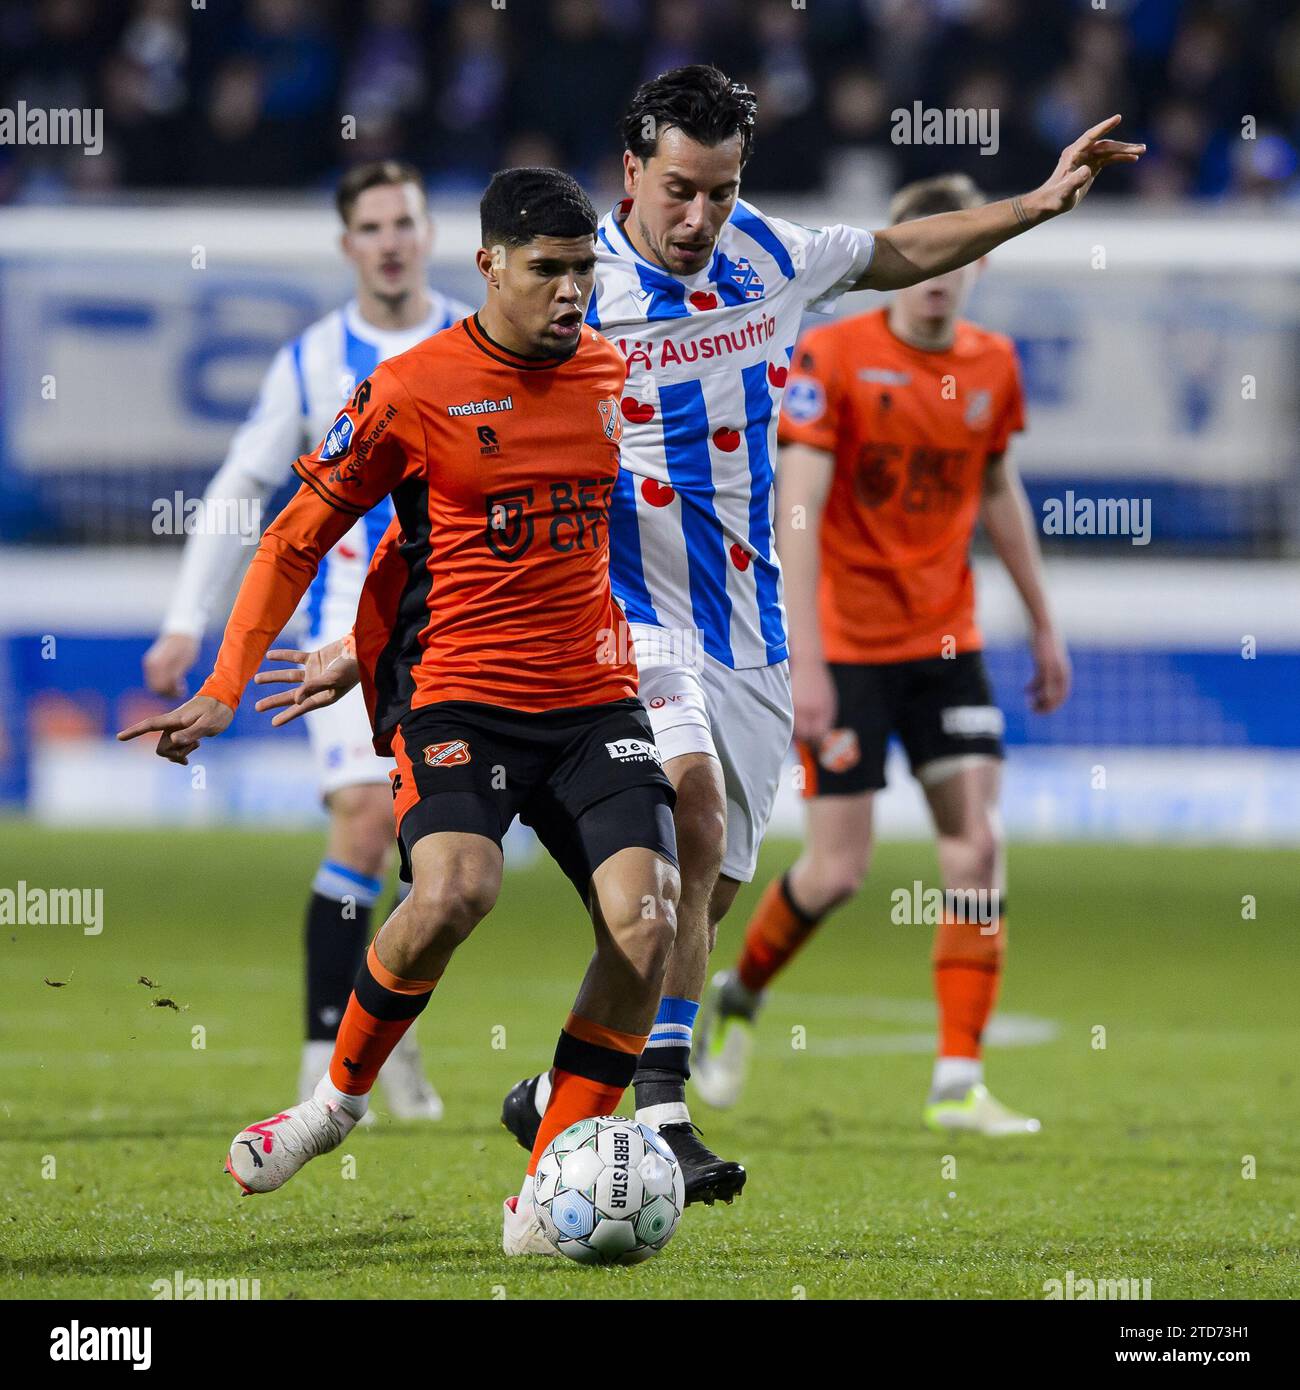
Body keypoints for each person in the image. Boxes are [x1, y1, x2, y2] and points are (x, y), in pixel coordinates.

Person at [497, 66, 1142, 1195]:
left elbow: (898, 252)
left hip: (749, 628)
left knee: (710, 882)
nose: (701, 218)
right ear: (632, 172)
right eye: (682, 191)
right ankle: (658, 1112)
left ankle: (561, 1090)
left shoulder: (769, 254)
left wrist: (1034, 206)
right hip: (627, 617)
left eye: (723, 190)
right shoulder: (574, 288)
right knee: (690, 821)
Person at [118, 167, 680, 1258]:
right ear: (488, 266)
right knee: (456, 889)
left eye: (584, 271)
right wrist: (231, 684)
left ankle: (543, 1192)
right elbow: (298, 539)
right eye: (548, 271)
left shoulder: (614, 371)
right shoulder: (409, 388)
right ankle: (333, 1101)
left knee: (648, 922)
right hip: (457, 692)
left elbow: (505, 534)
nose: (572, 293)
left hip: (590, 696)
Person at [693, 173, 1072, 1134]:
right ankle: (739, 993)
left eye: (956, 261)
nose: (938, 279)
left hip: (948, 644)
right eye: (920, 254)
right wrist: (810, 661)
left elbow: (998, 495)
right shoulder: (835, 356)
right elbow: (801, 514)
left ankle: (958, 1082)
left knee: (977, 845)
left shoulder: (993, 366)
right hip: (850, 647)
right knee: (838, 873)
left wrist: (1043, 618)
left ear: (976, 261)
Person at [142, 160, 470, 1119]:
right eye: (372, 226)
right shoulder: (314, 359)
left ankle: (386, 1042)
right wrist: (184, 621)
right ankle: (325, 1057)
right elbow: (245, 488)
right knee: (366, 822)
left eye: (405, 220)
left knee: (439, 854)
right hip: (345, 631)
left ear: (429, 232)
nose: (392, 240)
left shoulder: (474, 338)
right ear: (348, 245)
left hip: (454, 629)